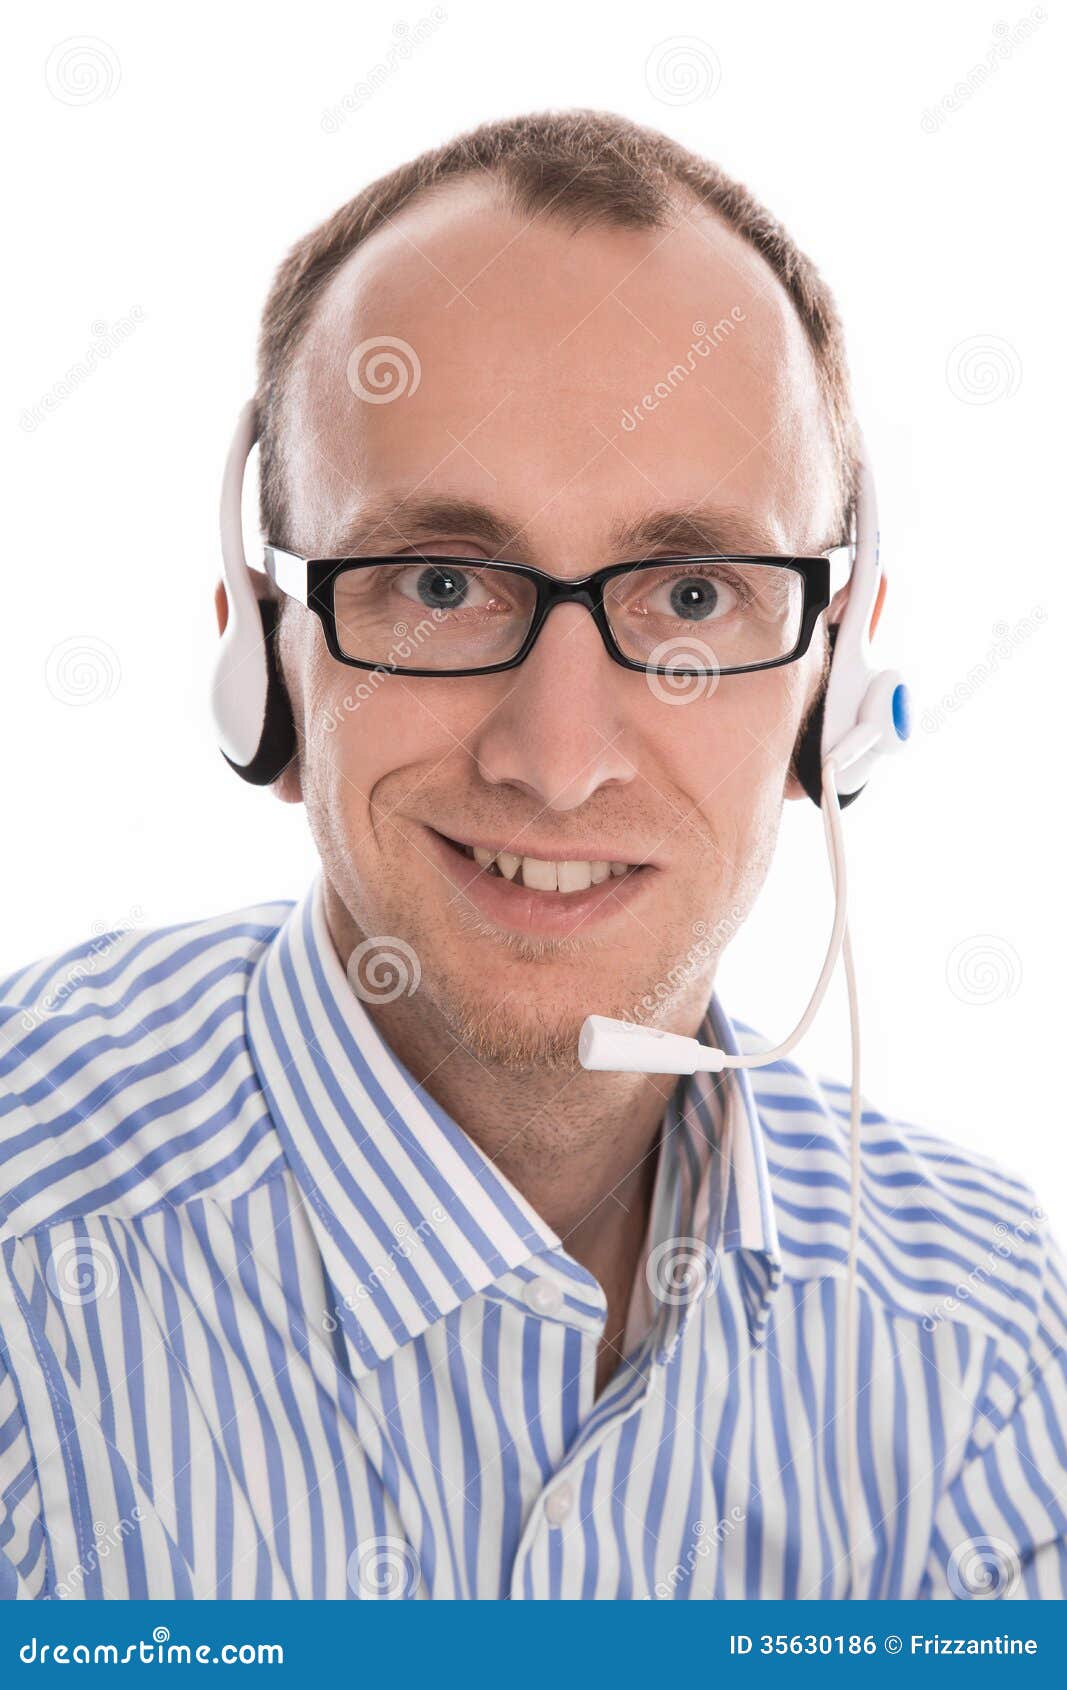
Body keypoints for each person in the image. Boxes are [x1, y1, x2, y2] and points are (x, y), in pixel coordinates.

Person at [1, 110, 1064, 1601]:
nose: (557, 757)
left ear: (836, 681)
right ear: (265, 654)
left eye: (694, 592)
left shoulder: (984, 1329)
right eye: (440, 581)